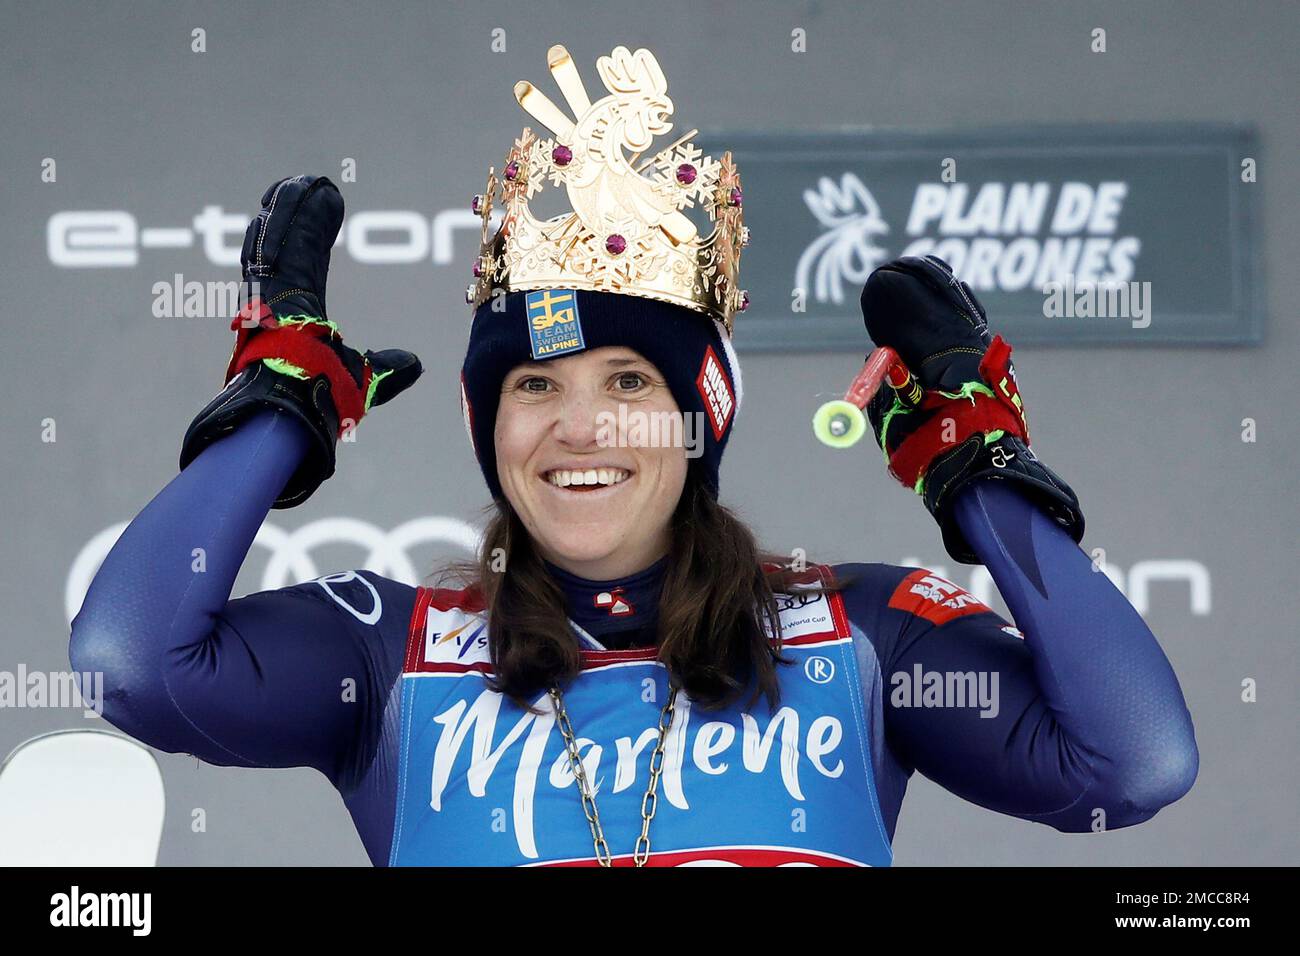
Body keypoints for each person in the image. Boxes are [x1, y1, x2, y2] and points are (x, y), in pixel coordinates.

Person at [69, 45, 1196, 868]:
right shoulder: (390, 651)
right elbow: (129, 658)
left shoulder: (858, 634)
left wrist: (978, 470)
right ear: (490, 426)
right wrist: (282, 400)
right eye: (532, 385)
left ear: (697, 418)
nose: (578, 425)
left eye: (627, 383)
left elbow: (1133, 760)